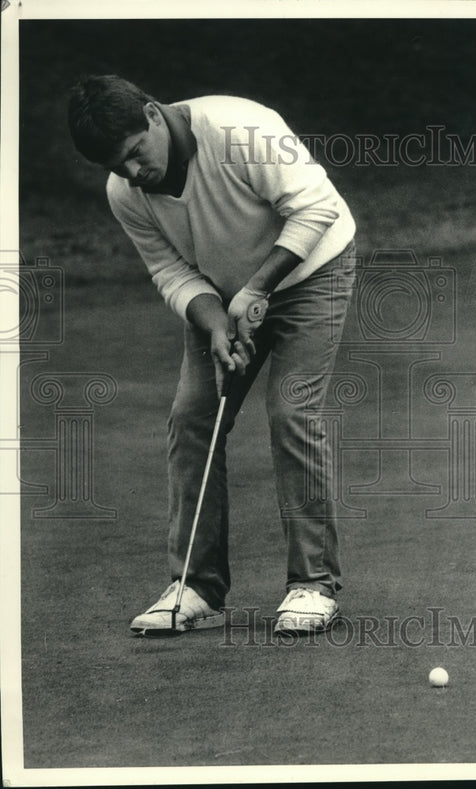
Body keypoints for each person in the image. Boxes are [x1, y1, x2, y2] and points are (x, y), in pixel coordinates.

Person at [68, 75, 356, 635]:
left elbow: (317, 208)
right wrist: (213, 320)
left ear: (154, 116)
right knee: (193, 417)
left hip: (313, 270)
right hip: (222, 295)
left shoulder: (240, 128)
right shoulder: (125, 192)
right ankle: (196, 586)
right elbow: (169, 270)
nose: (131, 173)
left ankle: (312, 585)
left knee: (291, 412)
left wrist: (257, 290)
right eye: (116, 165)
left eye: (133, 154)